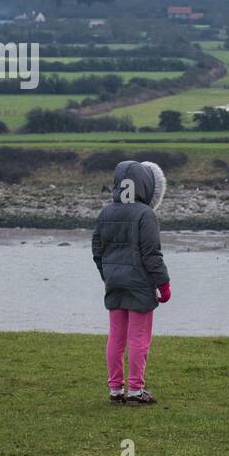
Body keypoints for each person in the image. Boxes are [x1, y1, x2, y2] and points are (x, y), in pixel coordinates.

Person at [92, 160, 172, 406]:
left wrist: (108, 274)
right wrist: (164, 284)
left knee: (116, 336)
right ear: (146, 185)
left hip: (114, 282)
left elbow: (97, 250)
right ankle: (136, 390)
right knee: (139, 338)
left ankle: (116, 389)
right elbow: (151, 254)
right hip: (139, 284)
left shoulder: (105, 212)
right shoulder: (145, 214)